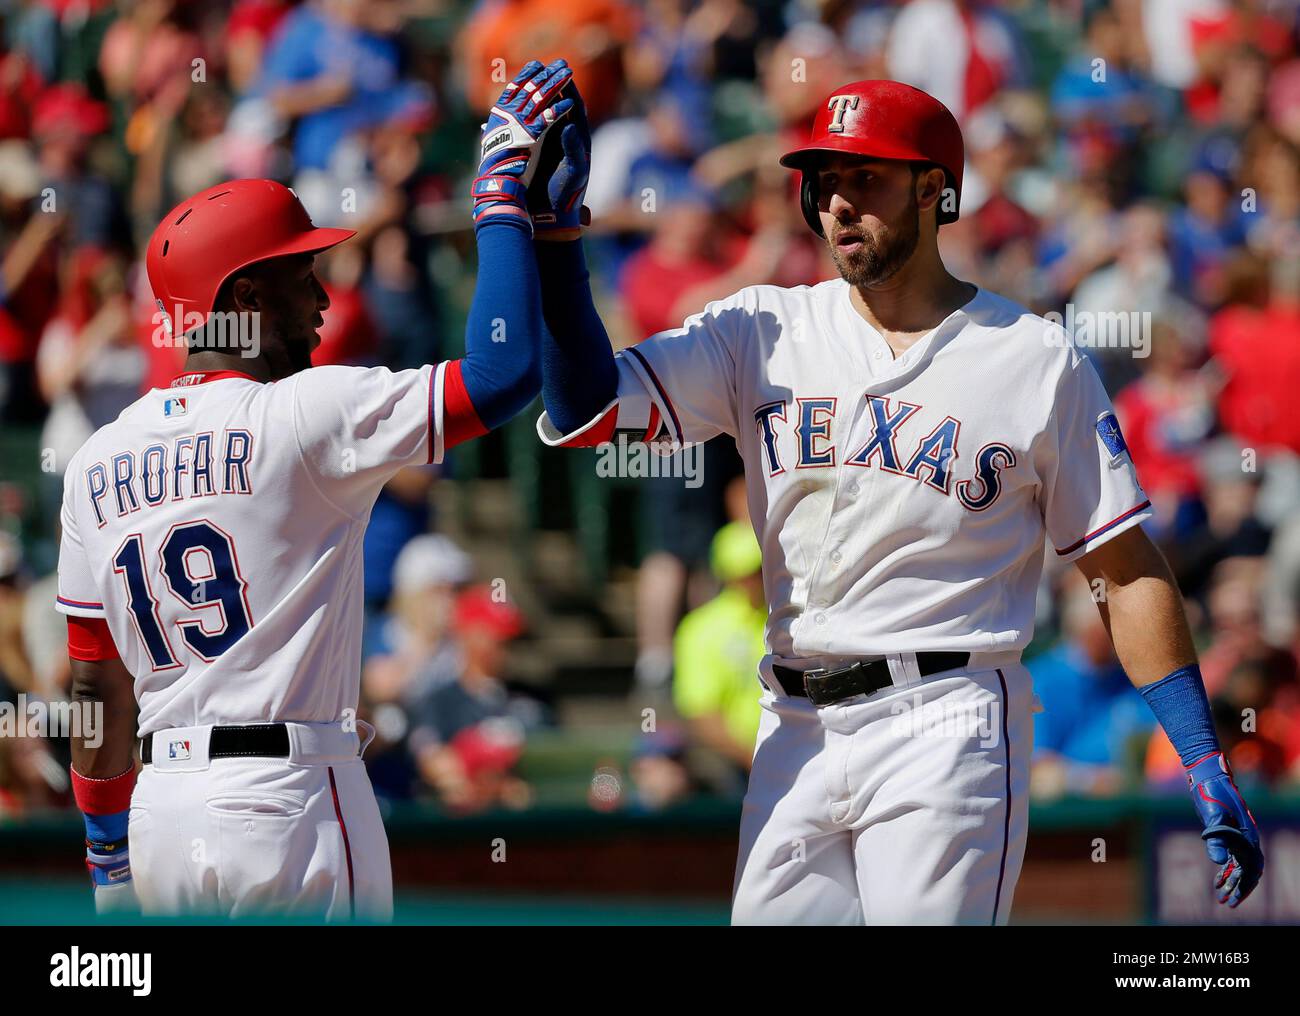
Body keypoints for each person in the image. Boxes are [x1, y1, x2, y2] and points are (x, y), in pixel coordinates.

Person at [528, 76, 1263, 924]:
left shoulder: (1034, 360)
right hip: (791, 726)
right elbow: (584, 407)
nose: (839, 202)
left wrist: (1202, 756)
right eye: (826, 179)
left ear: (932, 190)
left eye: (865, 179)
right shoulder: (759, 328)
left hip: (945, 721)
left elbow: (1125, 571)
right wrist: (552, 239)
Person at [56, 60, 575, 920]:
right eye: (302, 277)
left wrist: (108, 857)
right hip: (288, 797)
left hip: (159, 811)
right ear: (247, 295)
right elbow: (504, 372)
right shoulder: (306, 411)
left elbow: (94, 691)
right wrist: (499, 204)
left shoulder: (93, 464)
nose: (324, 298)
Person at [672, 520, 765, 775]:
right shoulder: (700, 629)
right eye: (745, 573)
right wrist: (754, 759)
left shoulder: (788, 618)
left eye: (758, 570)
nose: (754, 581)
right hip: (731, 764)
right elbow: (702, 715)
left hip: (790, 750)